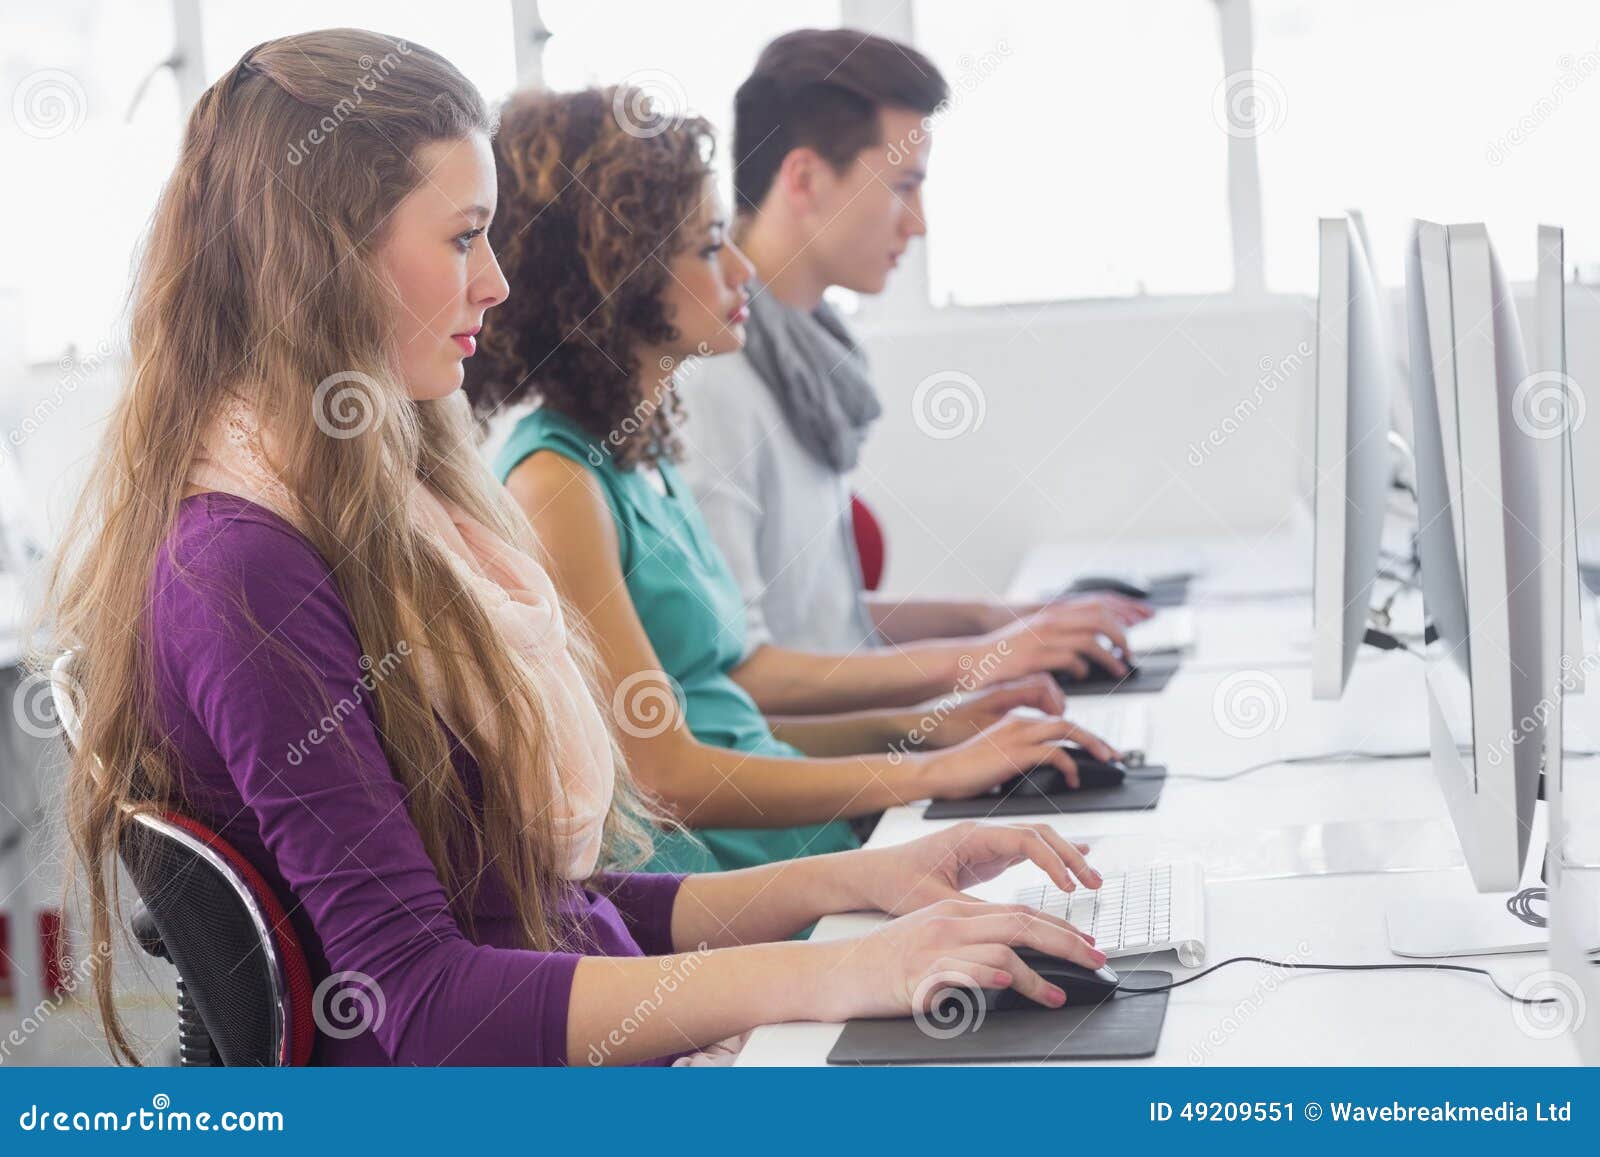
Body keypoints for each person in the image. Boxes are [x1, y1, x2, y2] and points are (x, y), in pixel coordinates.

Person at [44, 31, 1108, 1067]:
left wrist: (864, 880)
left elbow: (552, 908)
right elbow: (419, 1002)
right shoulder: (243, 573)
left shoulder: (383, 513)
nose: (494, 279)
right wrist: (838, 970)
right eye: (463, 237)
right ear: (324, 263)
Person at [465, 87, 1121, 875]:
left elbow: (733, 718)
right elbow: (664, 774)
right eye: (709, 248)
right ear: (619, 279)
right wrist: (924, 767)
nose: (741, 268)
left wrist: (926, 730)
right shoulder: (555, 484)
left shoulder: (643, 455)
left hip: (801, 848)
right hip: (736, 888)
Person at [676, 28, 1150, 659]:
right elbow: (745, 668)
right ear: (807, 180)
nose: (919, 223)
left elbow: (824, 621)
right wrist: (987, 662)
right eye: (904, 185)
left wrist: (1002, 621)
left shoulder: (809, 358)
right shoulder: (716, 379)